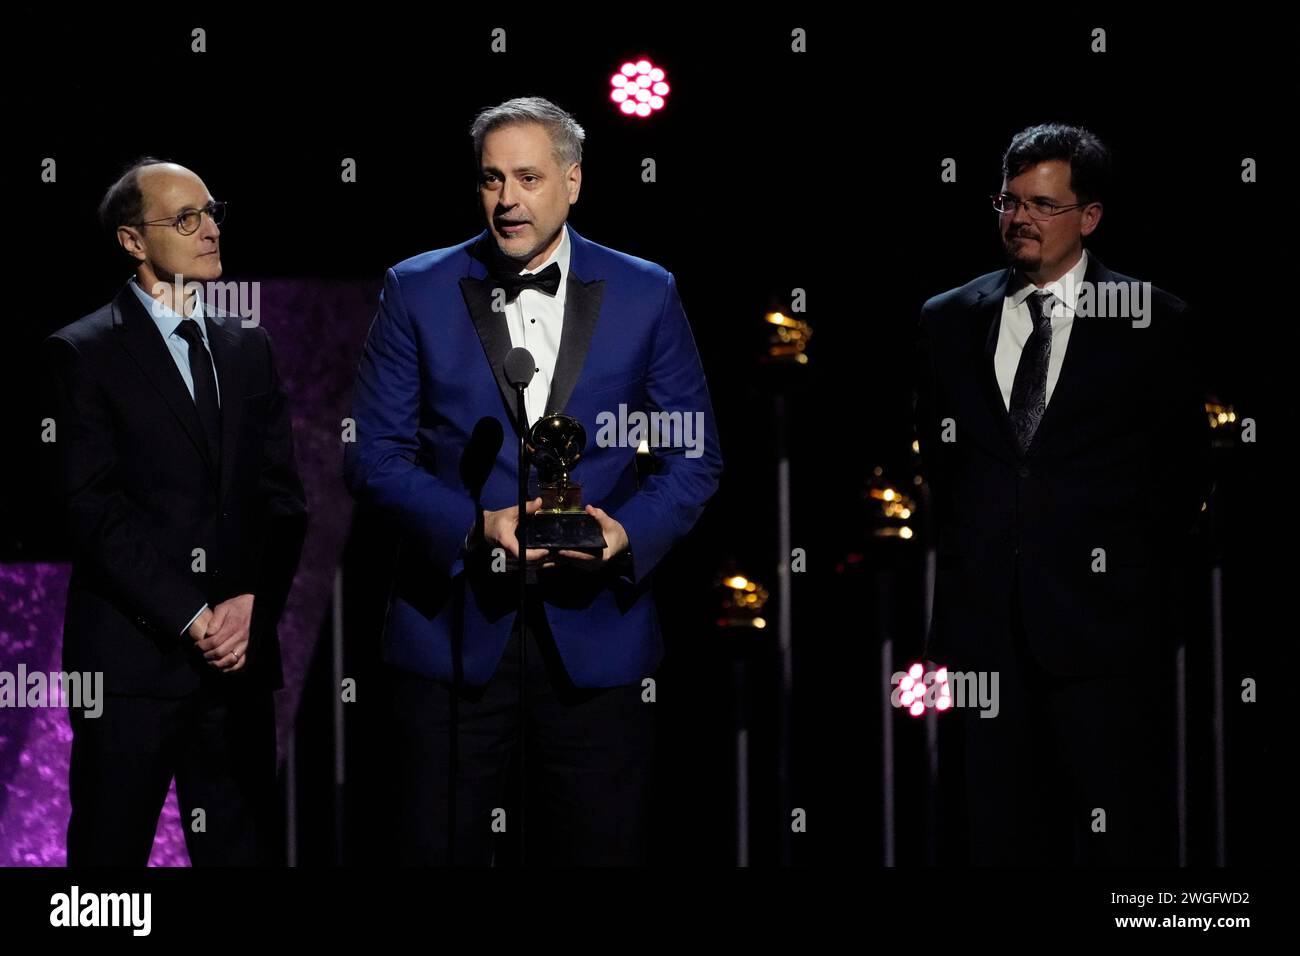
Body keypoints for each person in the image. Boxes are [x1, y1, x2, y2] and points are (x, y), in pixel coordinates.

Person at [344, 96, 723, 865]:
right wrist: (474, 527)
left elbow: (693, 455)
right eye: (491, 180)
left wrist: (623, 533)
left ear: (573, 182)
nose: (507, 199)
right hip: (451, 639)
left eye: (527, 177)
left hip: (600, 639)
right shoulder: (415, 288)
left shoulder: (647, 291)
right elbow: (372, 458)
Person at [913, 123, 1211, 865]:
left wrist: (1135, 590)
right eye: (1009, 202)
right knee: (986, 831)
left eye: (1044, 205)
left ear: (1090, 216)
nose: (1020, 220)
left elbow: (1182, 475)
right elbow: (937, 463)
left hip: (1103, 634)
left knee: (1112, 833)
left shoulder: (1153, 319)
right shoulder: (947, 318)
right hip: (981, 629)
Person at [43, 158, 308, 865]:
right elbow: (91, 509)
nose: (209, 228)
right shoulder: (83, 352)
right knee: (109, 860)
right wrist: (193, 615)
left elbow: (283, 500)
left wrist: (252, 601)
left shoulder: (249, 347)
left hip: (239, 664)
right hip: (134, 663)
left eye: (212, 210)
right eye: (185, 218)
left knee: (241, 852)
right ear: (134, 242)